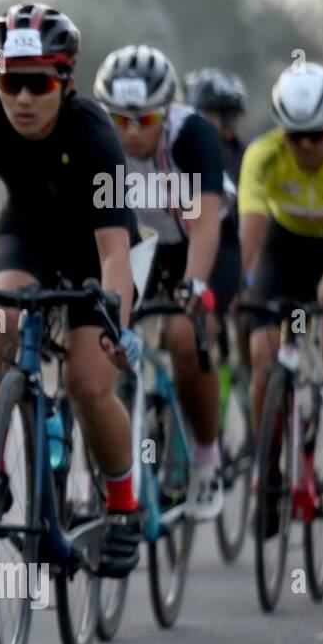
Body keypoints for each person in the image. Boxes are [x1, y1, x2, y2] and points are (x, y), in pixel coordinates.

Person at [0, 3, 142, 578]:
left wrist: (119, 323)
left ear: (65, 81)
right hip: (25, 242)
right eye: (11, 82)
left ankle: (123, 508)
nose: (23, 98)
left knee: (90, 383)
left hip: (92, 249)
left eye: (38, 83)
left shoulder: (94, 132)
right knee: (1, 317)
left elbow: (116, 252)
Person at [93, 44, 239, 519]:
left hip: (206, 240)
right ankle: (114, 469)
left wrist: (195, 286)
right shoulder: (95, 137)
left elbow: (205, 225)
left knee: (181, 332)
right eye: (121, 119)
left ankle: (205, 457)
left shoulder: (192, 134)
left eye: (145, 119)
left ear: (166, 110)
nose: (132, 131)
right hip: (142, 245)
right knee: (107, 334)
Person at [239, 61, 323, 520]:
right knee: (264, 353)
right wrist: (237, 288)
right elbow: (249, 228)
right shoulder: (263, 155)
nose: (305, 145)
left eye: (315, 135)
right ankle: (268, 468)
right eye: (294, 135)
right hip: (283, 252)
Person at [185, 68, 248, 183]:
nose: (229, 125)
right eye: (224, 115)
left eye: (233, 116)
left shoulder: (247, 159)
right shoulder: (171, 155)